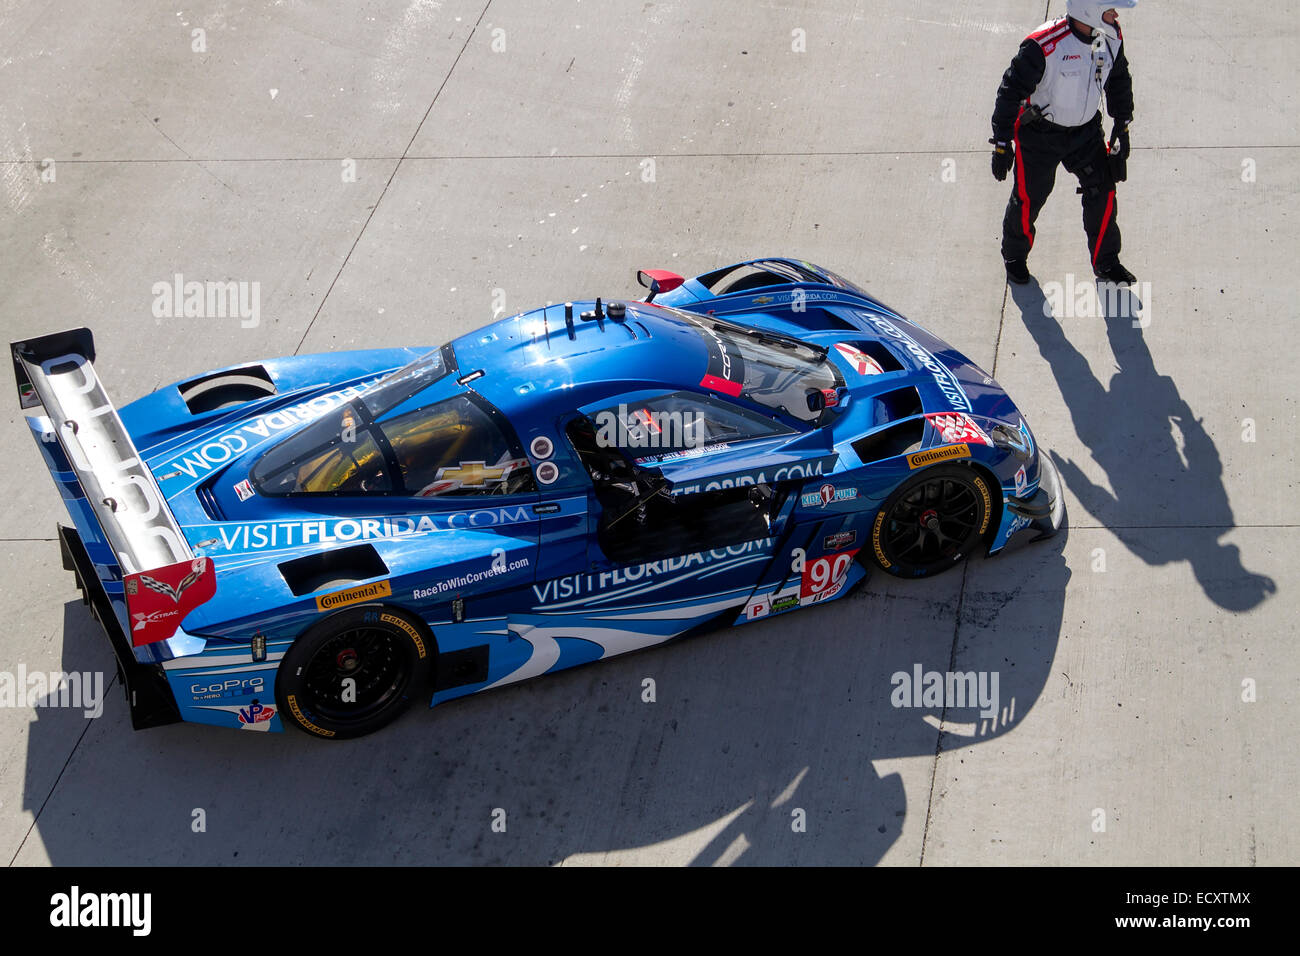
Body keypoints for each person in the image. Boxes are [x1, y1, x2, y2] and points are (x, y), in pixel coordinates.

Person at [990, 0, 1137, 286]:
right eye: (1110, 8)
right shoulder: (1042, 45)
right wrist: (1002, 142)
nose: (1116, 15)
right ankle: (1015, 257)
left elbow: (1118, 82)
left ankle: (1106, 262)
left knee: (1103, 190)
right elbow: (1009, 92)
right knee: (1029, 197)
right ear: (1088, 9)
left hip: (1086, 134)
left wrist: (1122, 128)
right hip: (1039, 135)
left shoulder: (1111, 38)